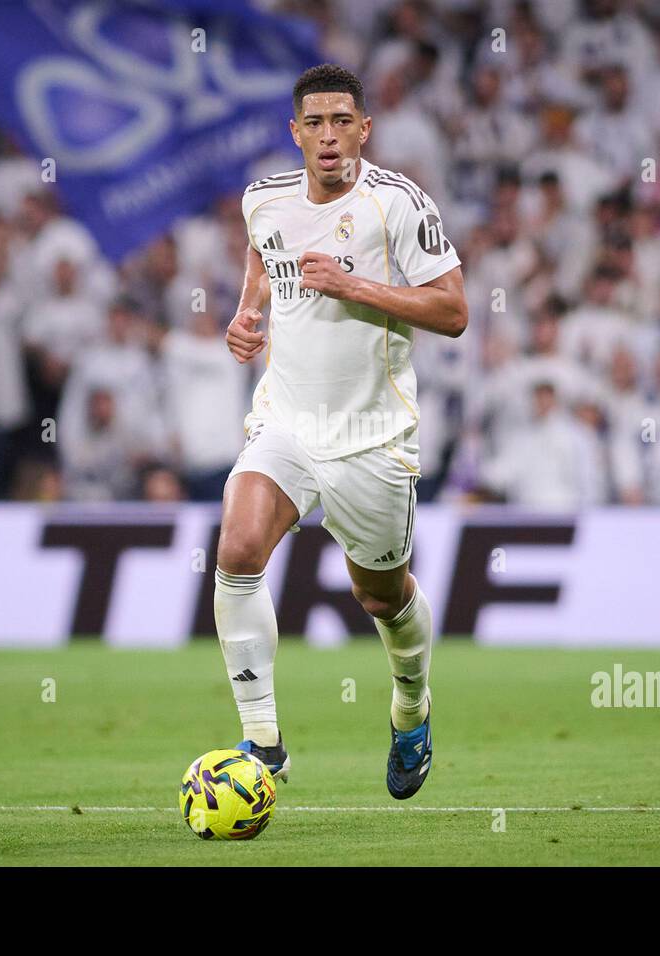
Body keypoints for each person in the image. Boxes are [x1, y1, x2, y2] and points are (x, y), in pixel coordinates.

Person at [215, 64, 466, 799]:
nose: (328, 137)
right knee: (236, 547)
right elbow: (264, 258)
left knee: (380, 597)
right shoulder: (262, 199)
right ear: (295, 133)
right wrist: (249, 311)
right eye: (314, 123)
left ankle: (411, 706)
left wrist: (353, 285)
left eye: (341, 122)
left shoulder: (398, 205)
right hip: (287, 420)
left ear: (364, 129)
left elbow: (453, 312)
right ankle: (263, 744)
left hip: (373, 439)